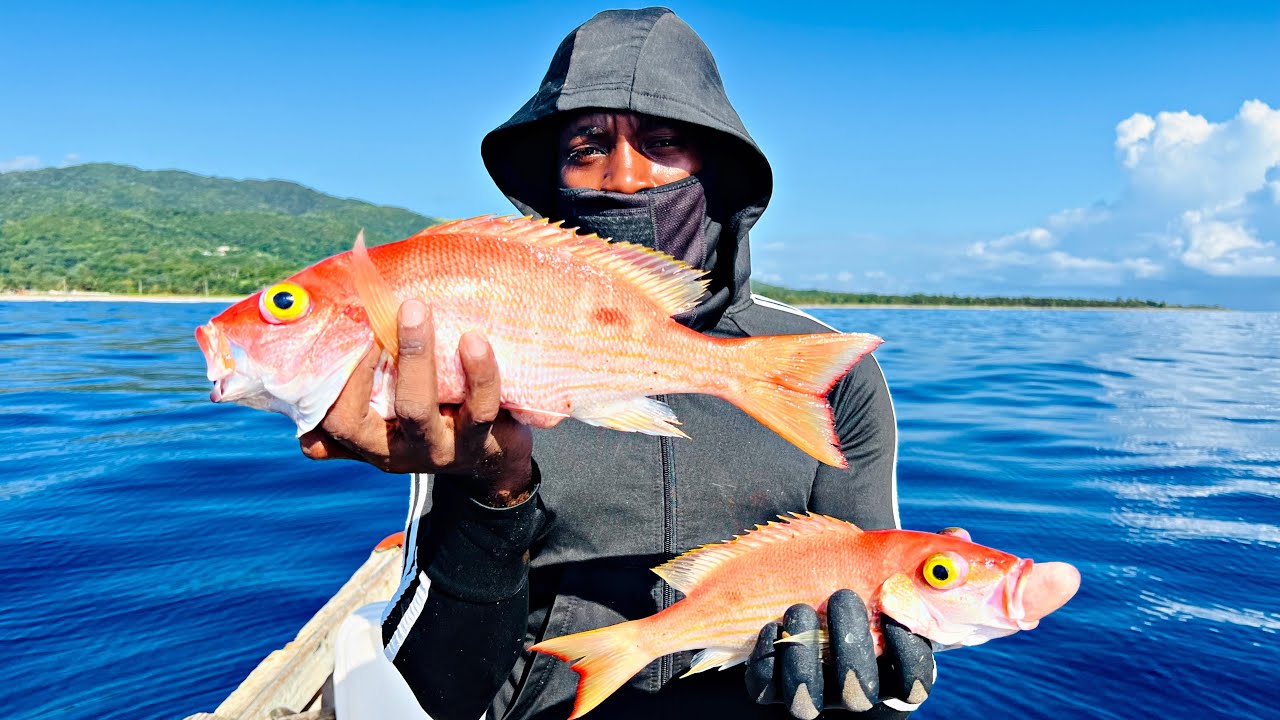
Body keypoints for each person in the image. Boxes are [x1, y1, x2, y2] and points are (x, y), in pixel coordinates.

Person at [300, 8, 934, 720]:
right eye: (586, 147)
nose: (624, 177)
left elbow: (862, 571)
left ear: (717, 171)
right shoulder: (479, 372)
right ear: (552, 178)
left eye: (663, 143)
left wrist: (874, 666)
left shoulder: (834, 373)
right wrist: (488, 491)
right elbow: (436, 694)